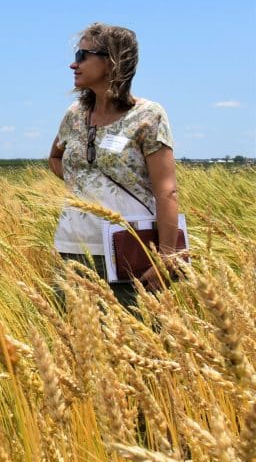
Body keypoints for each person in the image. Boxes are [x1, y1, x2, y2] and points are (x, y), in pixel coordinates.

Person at [48, 23, 182, 307]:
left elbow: (166, 190)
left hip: (130, 252)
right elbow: (55, 158)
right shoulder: (75, 115)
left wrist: (167, 257)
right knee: (73, 344)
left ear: (112, 61)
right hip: (71, 248)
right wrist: (86, 185)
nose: (74, 64)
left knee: (135, 343)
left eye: (83, 55)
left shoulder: (148, 115)